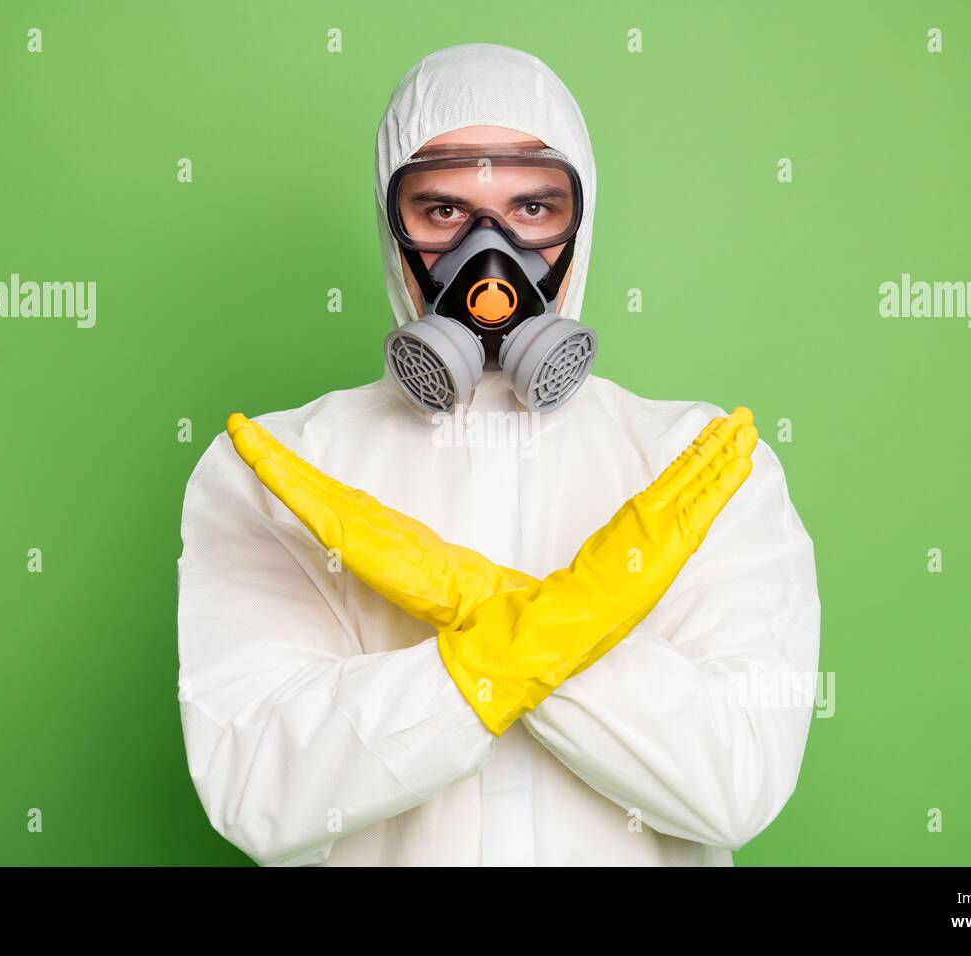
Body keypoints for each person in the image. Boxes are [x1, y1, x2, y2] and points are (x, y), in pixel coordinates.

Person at [177, 43, 820, 867]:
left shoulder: (698, 466)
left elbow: (735, 788)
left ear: (580, 227)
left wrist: (477, 610)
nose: (491, 255)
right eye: (443, 211)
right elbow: (256, 787)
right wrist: (542, 635)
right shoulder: (280, 470)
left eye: (532, 208)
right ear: (389, 224)